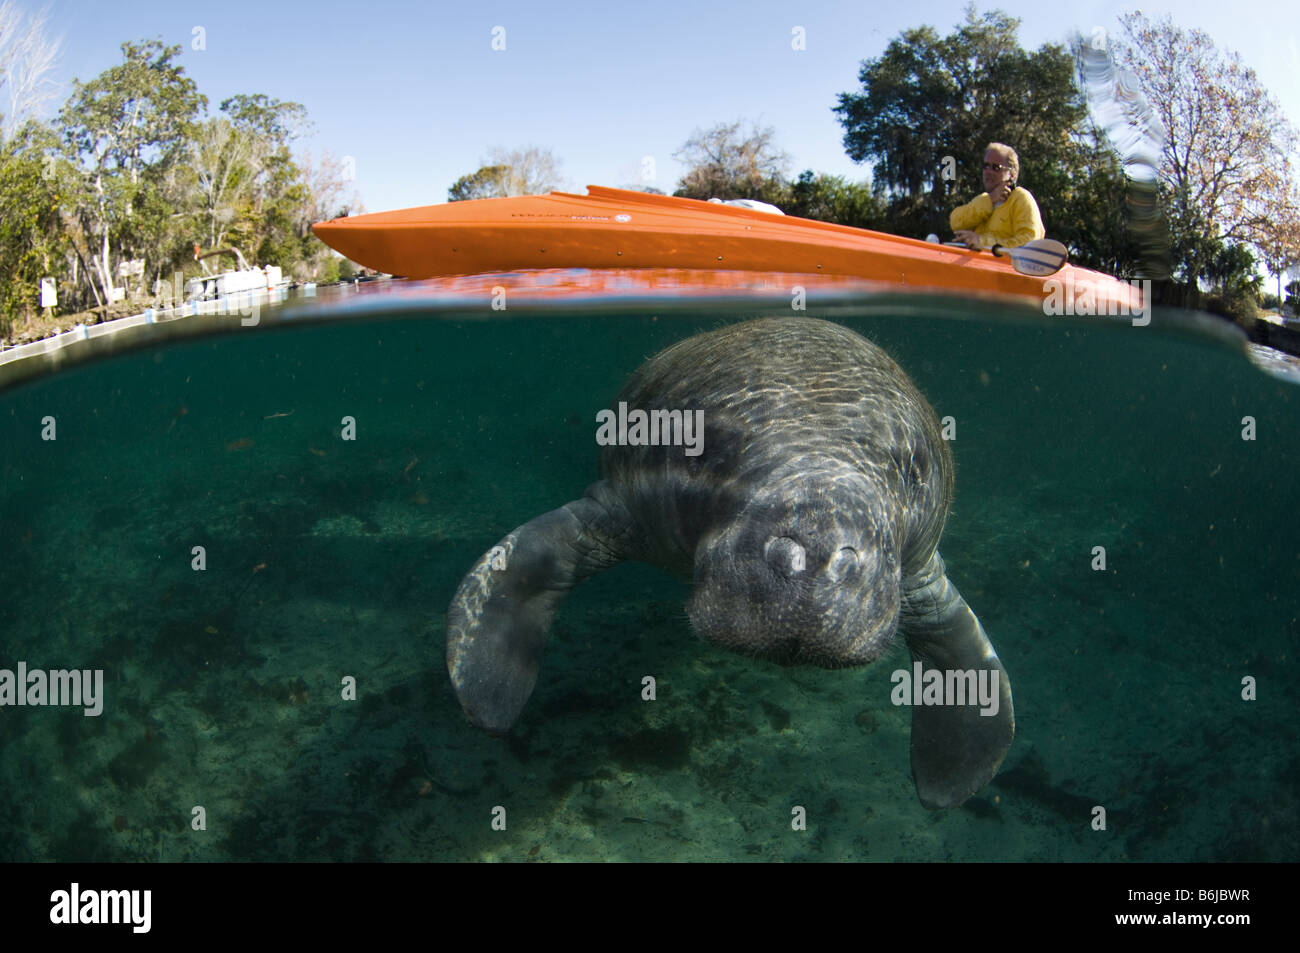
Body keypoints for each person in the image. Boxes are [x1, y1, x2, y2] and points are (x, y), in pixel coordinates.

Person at [950, 143, 1045, 250]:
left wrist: (982, 242)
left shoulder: (1021, 198)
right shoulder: (984, 199)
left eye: (996, 167)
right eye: (985, 166)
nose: (988, 172)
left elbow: (1029, 244)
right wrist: (990, 200)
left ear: (1012, 174)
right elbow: (955, 223)